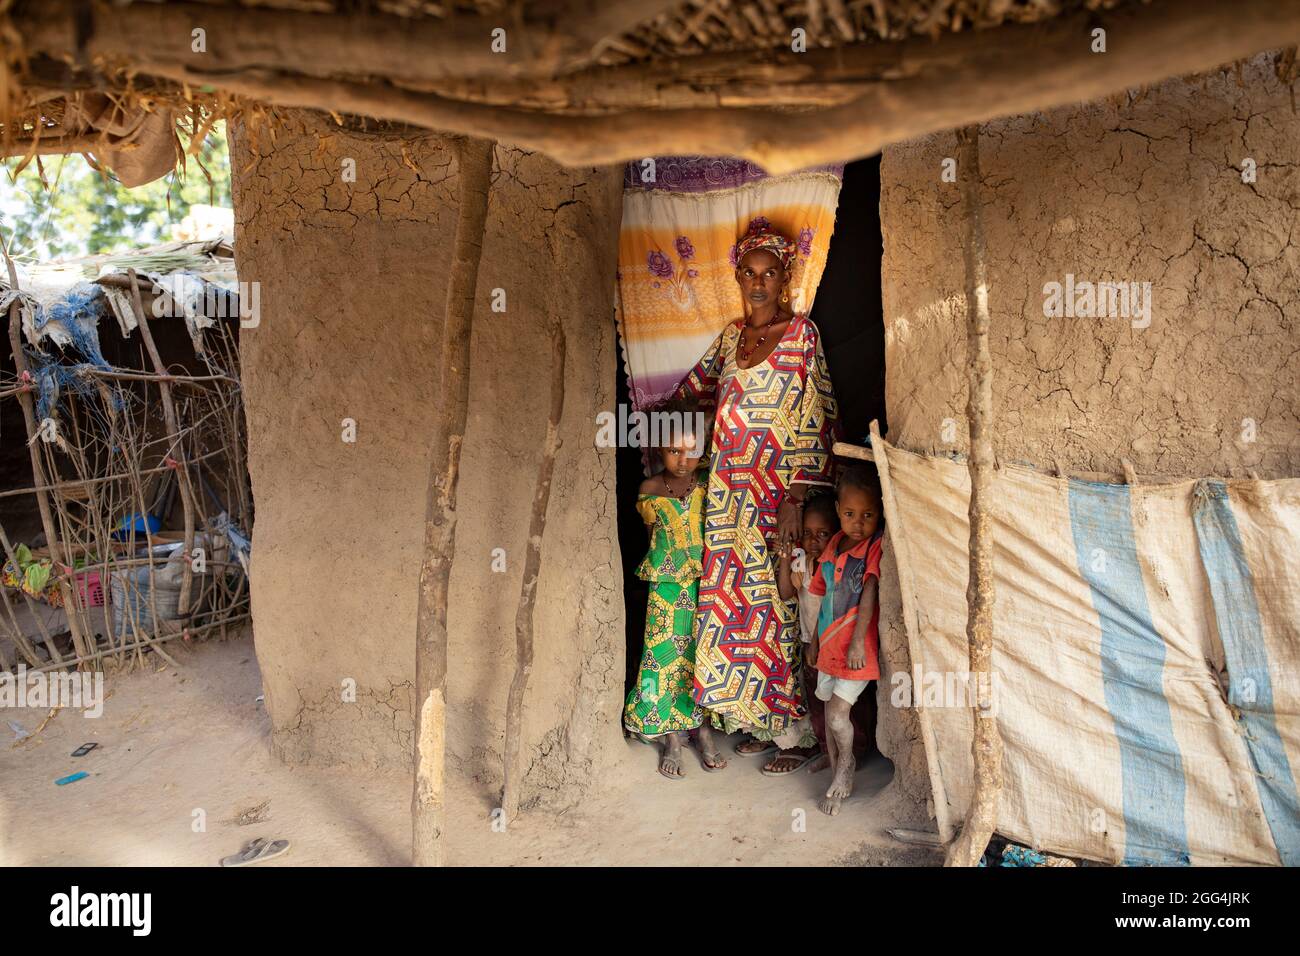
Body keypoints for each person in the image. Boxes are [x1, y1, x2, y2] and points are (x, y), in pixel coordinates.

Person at [675, 221, 838, 774]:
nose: (759, 284)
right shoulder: (728, 339)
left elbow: (818, 417)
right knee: (734, 608)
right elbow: (691, 394)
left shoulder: (802, 335)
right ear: (738, 277)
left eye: (770, 274)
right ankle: (758, 723)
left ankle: (797, 733)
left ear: (785, 277)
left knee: (778, 606)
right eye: (750, 273)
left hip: (776, 495)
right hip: (728, 496)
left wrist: (796, 494)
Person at [623, 397, 728, 777]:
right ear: (658, 448)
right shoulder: (650, 489)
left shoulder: (709, 482)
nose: (683, 459)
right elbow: (654, 539)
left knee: (700, 657)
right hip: (666, 589)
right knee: (664, 657)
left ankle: (702, 731)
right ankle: (670, 736)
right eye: (673, 450)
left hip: (704, 585)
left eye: (691, 449)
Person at [807, 465, 885, 815]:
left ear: (879, 512)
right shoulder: (833, 546)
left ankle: (845, 768)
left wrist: (856, 642)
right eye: (850, 514)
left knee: (839, 715)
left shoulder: (874, 547)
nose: (858, 522)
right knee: (827, 709)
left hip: (856, 650)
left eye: (868, 515)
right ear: (838, 511)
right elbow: (823, 599)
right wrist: (813, 640)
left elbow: (869, 592)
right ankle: (834, 766)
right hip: (828, 646)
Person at [776, 491, 839, 771]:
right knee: (817, 700)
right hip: (809, 643)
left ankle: (852, 750)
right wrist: (786, 559)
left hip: (832, 644)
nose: (814, 540)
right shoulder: (802, 560)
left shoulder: (836, 565)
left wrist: (816, 643)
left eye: (823, 533)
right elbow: (786, 593)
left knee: (842, 702)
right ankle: (827, 749)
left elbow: (830, 608)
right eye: (809, 533)